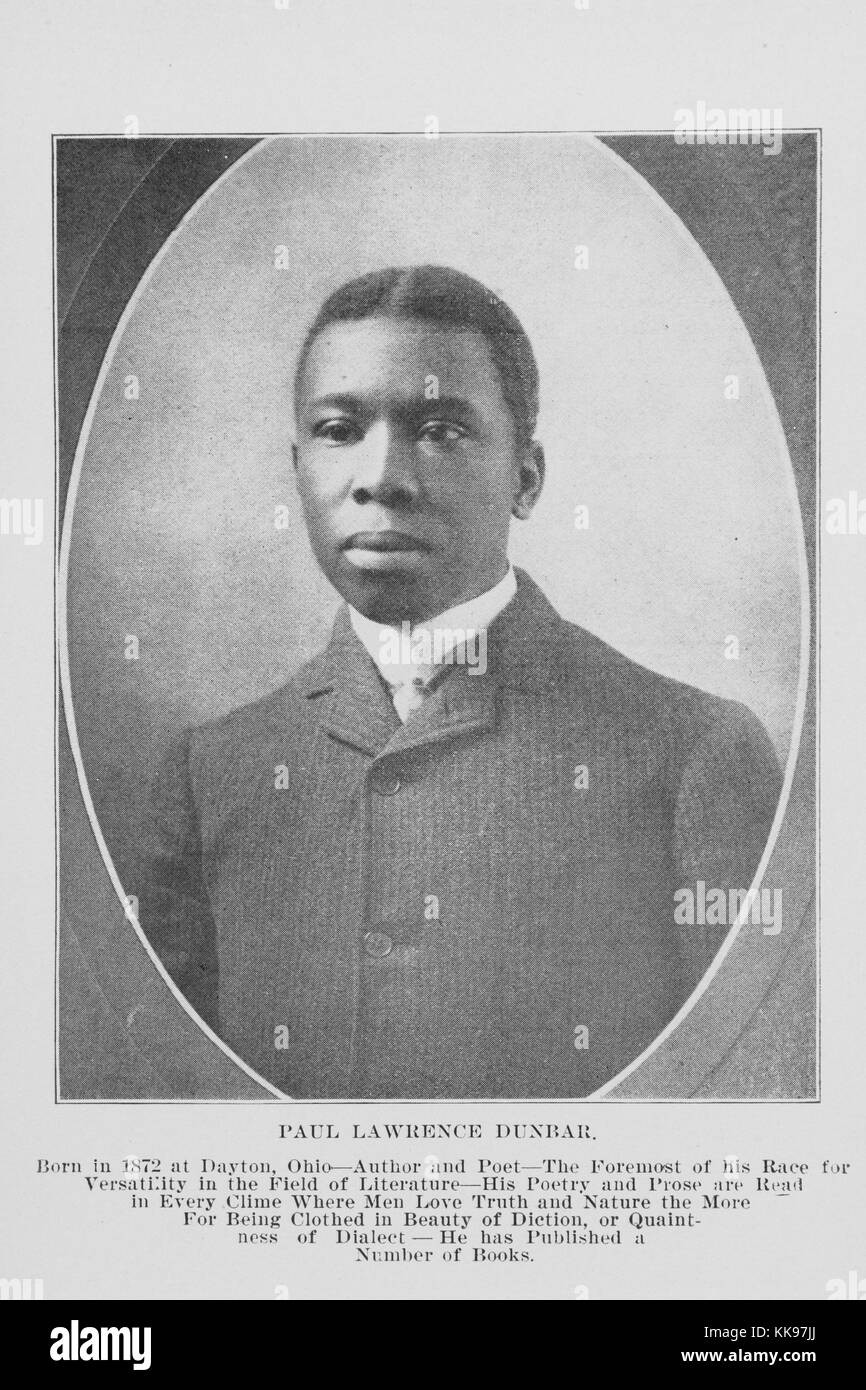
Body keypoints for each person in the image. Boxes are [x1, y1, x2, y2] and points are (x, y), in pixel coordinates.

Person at [140, 264, 782, 1099]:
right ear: (296, 467)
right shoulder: (209, 771)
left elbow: (748, 1110)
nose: (381, 476)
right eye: (339, 430)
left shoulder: (695, 753)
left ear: (526, 477)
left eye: (441, 430)